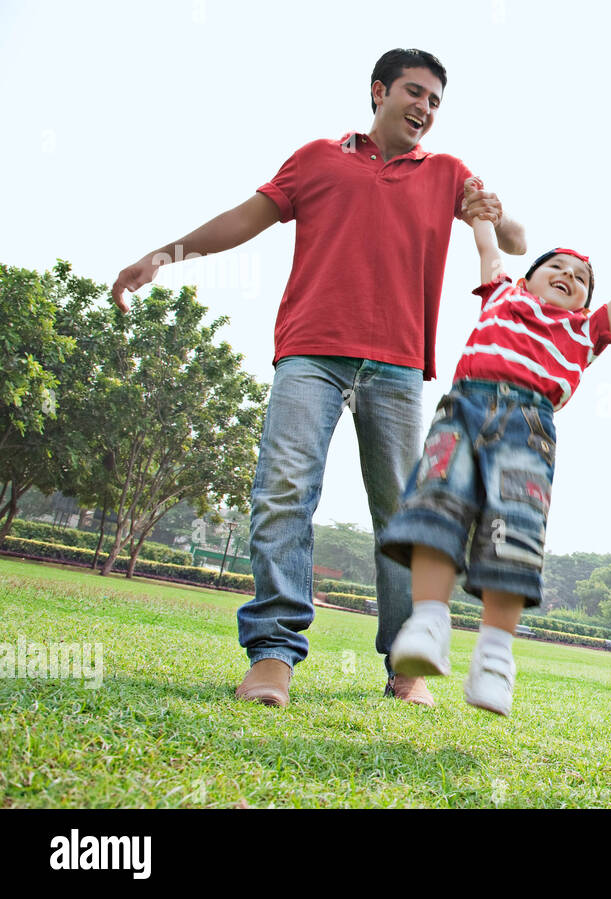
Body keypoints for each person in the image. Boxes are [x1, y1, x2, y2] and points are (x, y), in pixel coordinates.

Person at [110, 49, 528, 708]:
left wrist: (496, 212)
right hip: (311, 352)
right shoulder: (316, 158)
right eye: (414, 93)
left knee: (402, 515)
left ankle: (405, 662)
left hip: (396, 364)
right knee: (284, 488)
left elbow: (516, 236)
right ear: (379, 91)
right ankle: (273, 653)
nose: (424, 108)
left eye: (435, 101)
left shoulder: (448, 172)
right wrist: (164, 254)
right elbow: (243, 220)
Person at [376, 180, 611, 716]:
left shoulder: (586, 330)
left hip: (527, 427)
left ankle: (494, 656)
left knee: (513, 532)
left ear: (586, 298)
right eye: (556, 267)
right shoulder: (502, 294)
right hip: (463, 411)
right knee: (434, 508)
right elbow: (487, 244)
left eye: (582, 278)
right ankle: (429, 620)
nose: (569, 276)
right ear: (528, 277)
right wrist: (479, 211)